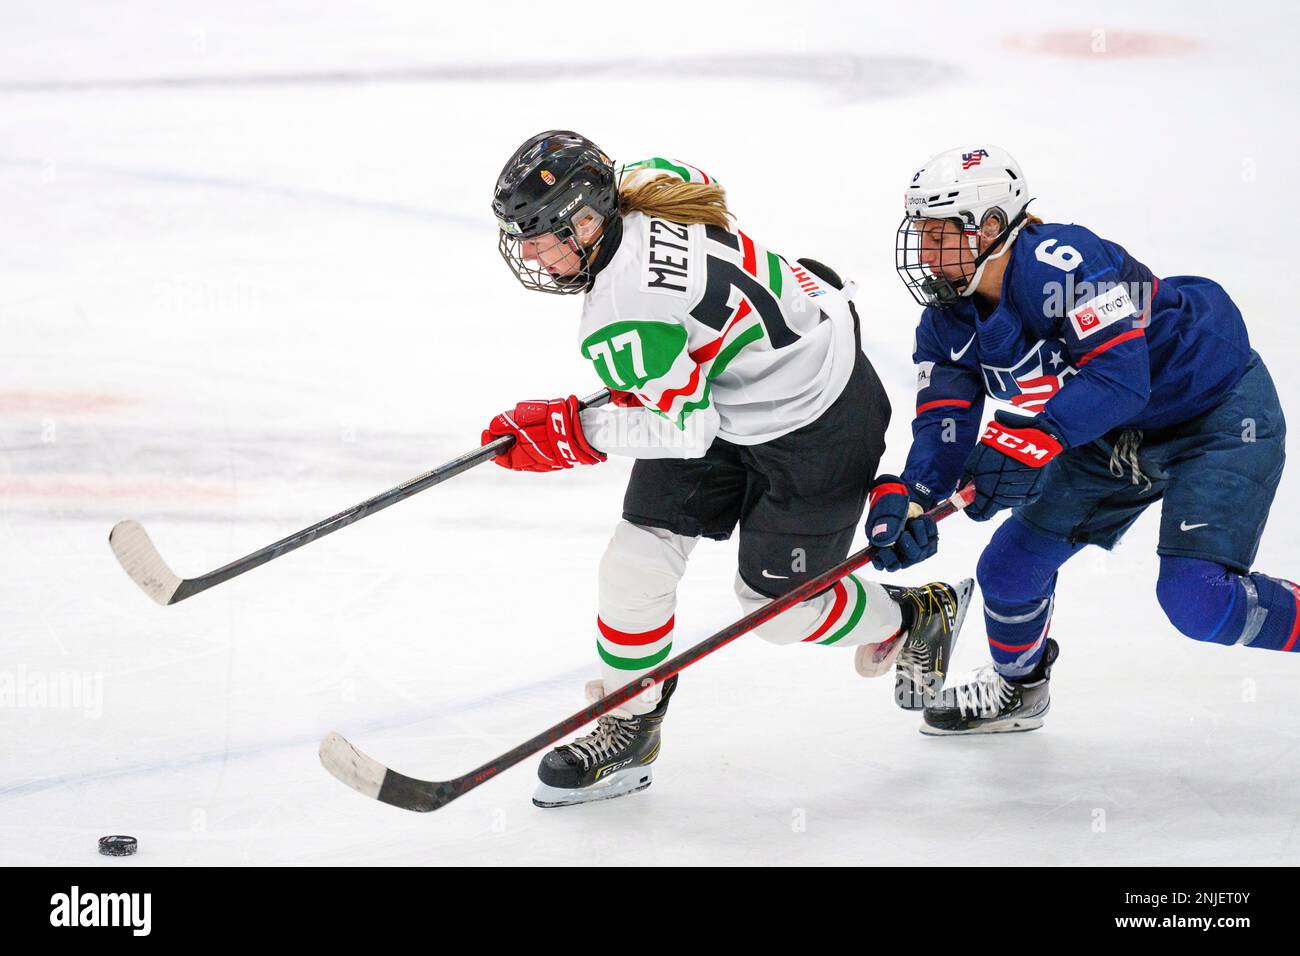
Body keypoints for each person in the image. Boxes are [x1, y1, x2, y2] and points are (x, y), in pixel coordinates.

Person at [484, 130, 973, 806]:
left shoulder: (618, 317)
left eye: (539, 236)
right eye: (521, 237)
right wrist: (672, 362)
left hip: (821, 424)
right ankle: (630, 723)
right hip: (740, 387)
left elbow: (685, 430)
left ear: (589, 221)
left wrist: (576, 433)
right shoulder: (648, 181)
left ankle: (913, 617)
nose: (528, 253)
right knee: (636, 563)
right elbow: (702, 221)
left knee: (775, 612)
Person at [866, 144, 1295, 735]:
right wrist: (913, 492)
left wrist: (1030, 440)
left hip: (1214, 414)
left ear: (993, 227)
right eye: (922, 235)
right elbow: (944, 420)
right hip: (1108, 433)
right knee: (1009, 571)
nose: (926, 254)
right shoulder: (946, 320)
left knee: (1198, 601)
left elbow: (1119, 378)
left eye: (942, 235)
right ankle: (1020, 691)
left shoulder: (1059, 263)